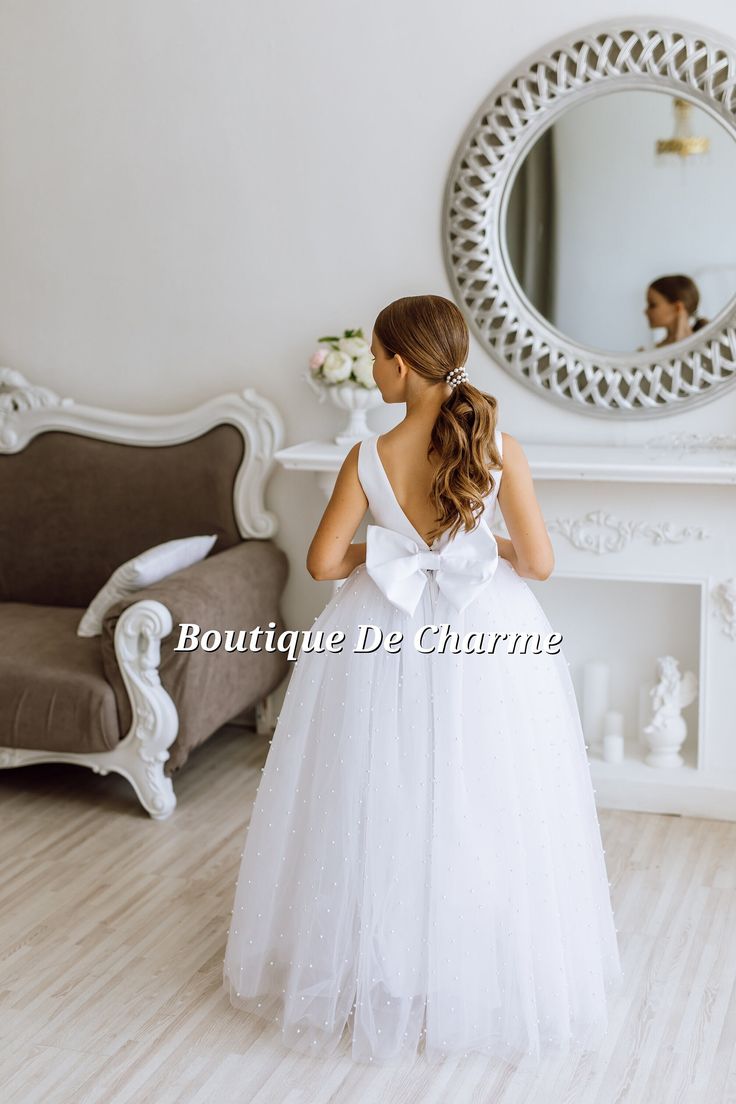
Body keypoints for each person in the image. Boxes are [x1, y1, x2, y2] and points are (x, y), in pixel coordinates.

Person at [222, 294, 624, 1066]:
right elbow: (539, 563)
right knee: (485, 794)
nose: (373, 368)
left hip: (381, 631)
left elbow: (323, 564)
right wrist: (488, 552)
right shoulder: (499, 444)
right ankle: (473, 964)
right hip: (488, 634)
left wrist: (389, 554)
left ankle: (382, 966)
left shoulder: (368, 455)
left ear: (401, 365)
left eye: (376, 356)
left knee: (381, 790)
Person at [645, 274, 709, 346]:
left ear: (677, 307)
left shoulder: (707, 345)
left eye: (652, 305)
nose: (646, 311)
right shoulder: (648, 352)